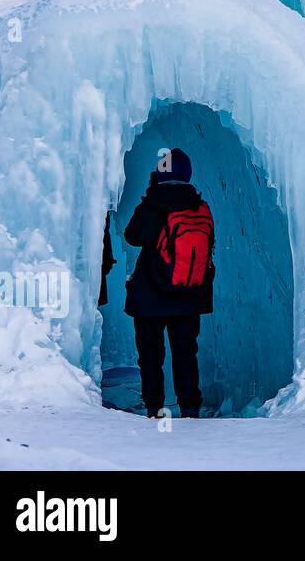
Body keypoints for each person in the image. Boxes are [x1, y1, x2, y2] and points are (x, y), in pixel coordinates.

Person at [123, 148, 215, 418]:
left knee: (152, 355)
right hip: (190, 295)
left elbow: (133, 236)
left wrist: (151, 198)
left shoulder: (152, 205)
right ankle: (190, 407)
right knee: (185, 354)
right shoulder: (199, 207)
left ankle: (155, 407)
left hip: (151, 296)